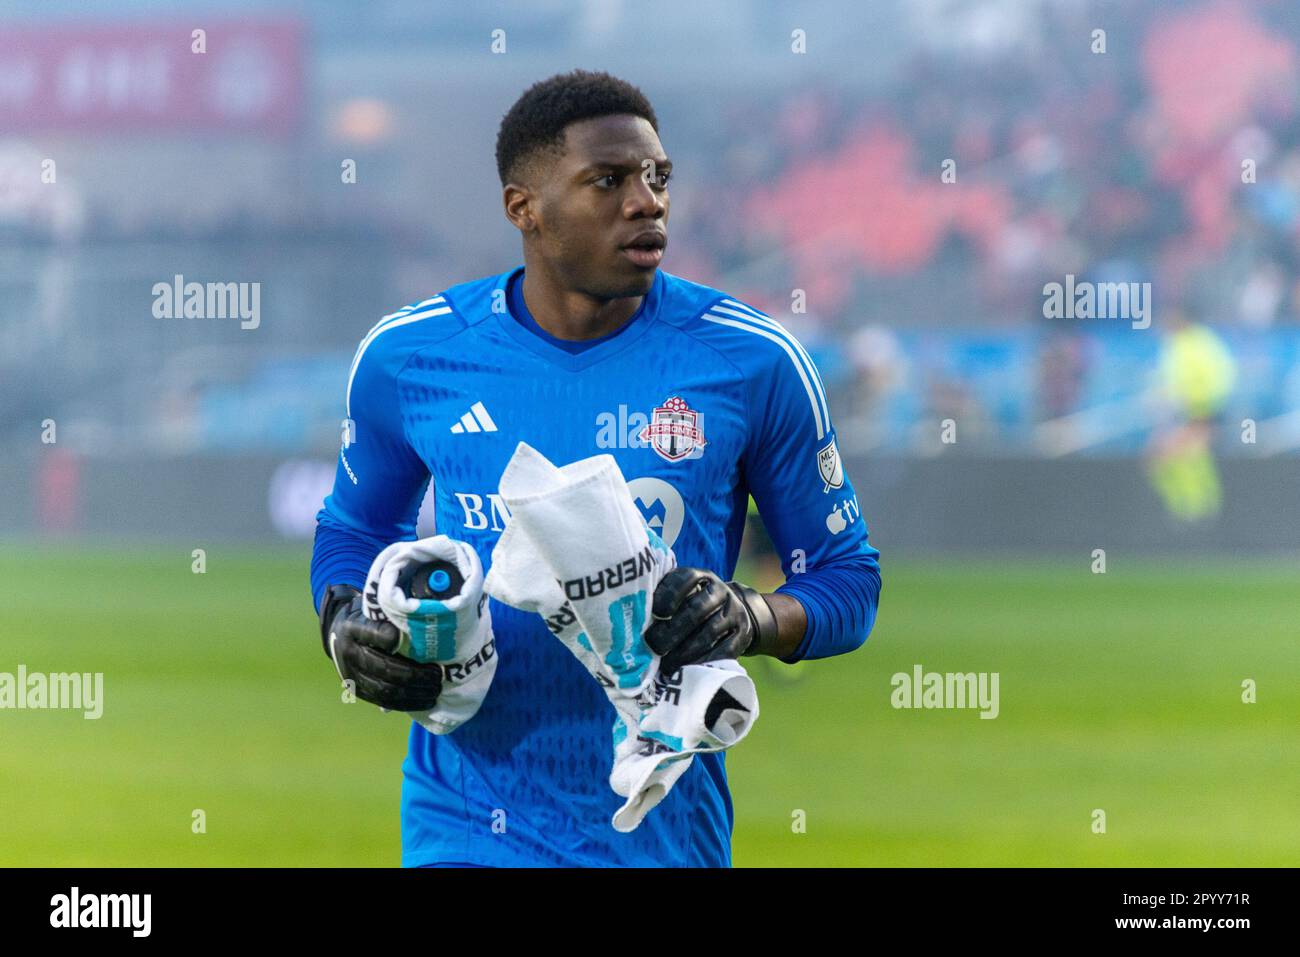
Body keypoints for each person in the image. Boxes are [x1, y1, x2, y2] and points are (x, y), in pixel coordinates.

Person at [309, 70, 882, 867]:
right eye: (607, 181)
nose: (646, 201)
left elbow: (848, 581)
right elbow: (353, 527)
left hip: (660, 835)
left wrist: (751, 617)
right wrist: (343, 623)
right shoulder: (411, 357)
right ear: (524, 207)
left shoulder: (752, 361)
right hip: (464, 826)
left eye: (658, 177)